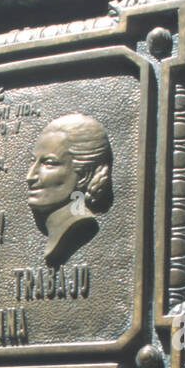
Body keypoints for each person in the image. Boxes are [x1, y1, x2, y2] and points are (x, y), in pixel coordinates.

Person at [26, 113, 113, 265]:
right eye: (33, 162)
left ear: (83, 176)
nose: (30, 176)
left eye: (49, 163)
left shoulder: (81, 227)